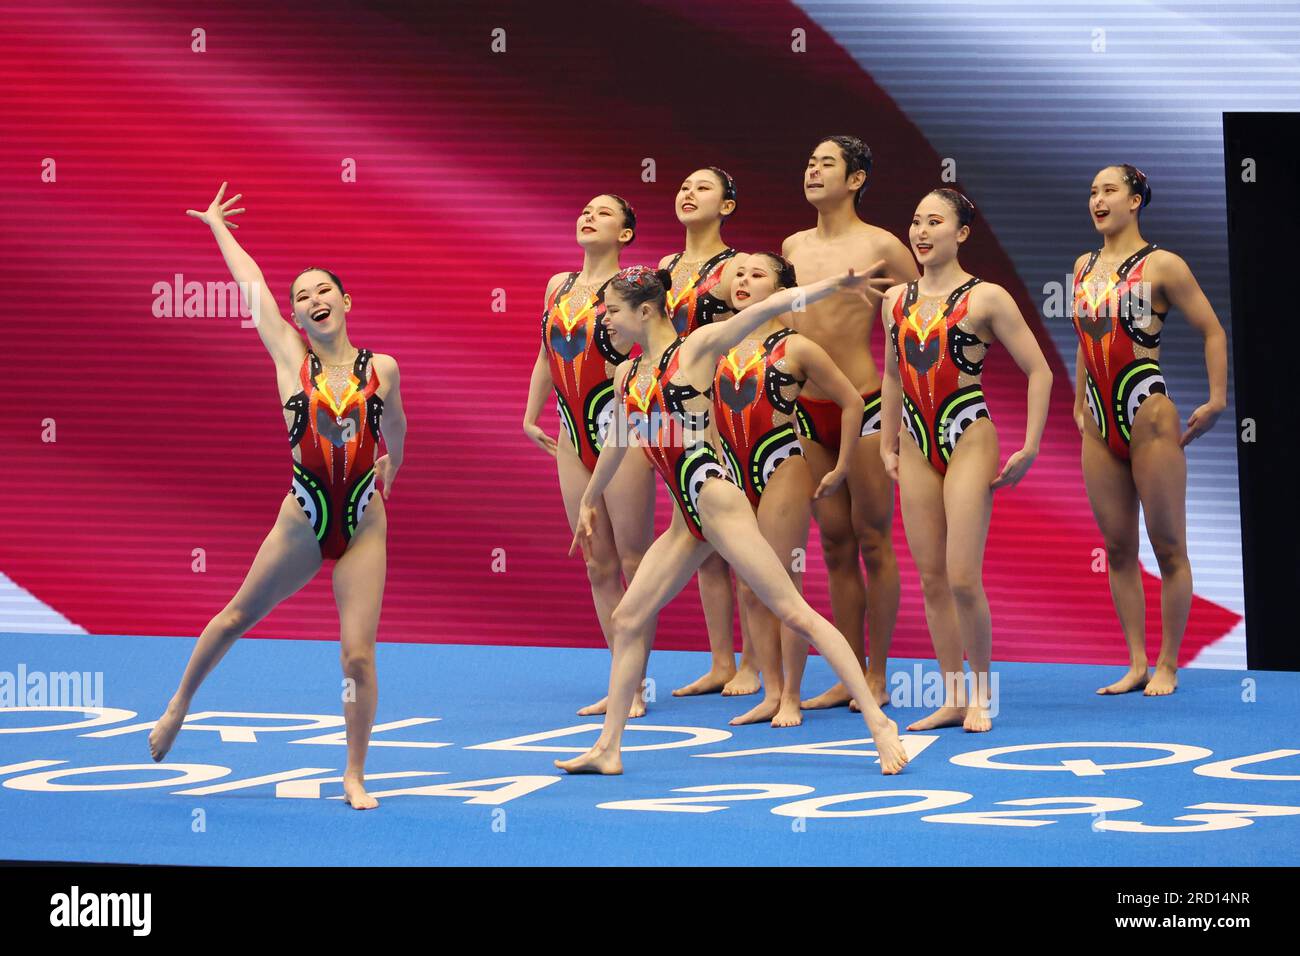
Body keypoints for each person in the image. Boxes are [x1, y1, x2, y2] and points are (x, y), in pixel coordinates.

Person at [556, 263, 909, 775]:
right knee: (628, 619)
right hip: (686, 518)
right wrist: (590, 498)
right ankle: (609, 748)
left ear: (647, 310)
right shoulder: (626, 374)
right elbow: (617, 440)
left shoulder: (696, 349)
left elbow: (769, 307)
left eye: (611, 311)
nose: (602, 322)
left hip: (717, 500)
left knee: (793, 611)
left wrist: (837, 283)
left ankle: (878, 723)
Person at [148, 183, 407, 810]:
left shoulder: (384, 369)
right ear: (293, 316)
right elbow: (252, 285)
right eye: (302, 297)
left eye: (324, 290)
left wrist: (386, 480)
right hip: (302, 520)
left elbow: (395, 432)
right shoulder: (289, 357)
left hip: (363, 528)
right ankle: (180, 702)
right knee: (237, 615)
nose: (314, 300)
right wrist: (216, 226)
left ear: (346, 301)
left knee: (357, 660)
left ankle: (354, 772)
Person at [880, 189, 1052, 733]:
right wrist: (886, 442)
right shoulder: (894, 301)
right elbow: (891, 374)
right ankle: (952, 695)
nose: (921, 231)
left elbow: (1040, 370)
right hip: (913, 441)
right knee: (930, 578)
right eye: (915, 220)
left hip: (968, 436)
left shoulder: (986, 298)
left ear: (962, 233)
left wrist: (1030, 444)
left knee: (960, 577)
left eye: (935, 221)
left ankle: (981, 692)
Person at [1071, 165, 1227, 696]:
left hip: (1147, 414)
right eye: (1093, 192)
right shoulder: (1083, 266)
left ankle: (1168, 663)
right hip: (1098, 421)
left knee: (1167, 546)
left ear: (1135, 201)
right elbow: (1085, 338)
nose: (1098, 199)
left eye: (1109, 190)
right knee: (1117, 546)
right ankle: (1136, 660)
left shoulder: (1162, 265)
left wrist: (1217, 400)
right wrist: (1076, 402)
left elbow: (1212, 330)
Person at [779, 135, 919, 724]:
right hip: (805, 409)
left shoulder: (882, 244)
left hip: (863, 400)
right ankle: (849, 670)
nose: (812, 169)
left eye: (826, 163)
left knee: (872, 540)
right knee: (832, 543)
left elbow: (926, 309)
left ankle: (880, 674)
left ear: (856, 179)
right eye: (808, 161)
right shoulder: (791, 245)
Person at [712, 254, 867, 725]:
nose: (743, 280)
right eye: (738, 273)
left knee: (783, 584)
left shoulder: (796, 347)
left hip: (781, 465)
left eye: (757, 274)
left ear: (783, 289)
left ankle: (793, 695)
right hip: (732, 470)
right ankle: (771, 689)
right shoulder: (716, 343)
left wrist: (841, 466)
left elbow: (852, 400)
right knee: (748, 586)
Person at [524, 194, 656, 717]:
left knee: (632, 558)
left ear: (625, 234)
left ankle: (636, 682)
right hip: (571, 433)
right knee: (597, 562)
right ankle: (620, 677)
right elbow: (545, 351)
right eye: (584, 210)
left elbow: (660, 353)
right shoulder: (558, 285)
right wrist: (529, 414)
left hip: (621, 431)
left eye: (603, 214)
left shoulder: (634, 288)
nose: (587, 216)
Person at [656, 167, 753, 699]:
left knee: (737, 536)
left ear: (728, 205)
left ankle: (754, 664)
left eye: (703, 188)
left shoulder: (737, 266)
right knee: (699, 533)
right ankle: (721, 659)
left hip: (723, 408)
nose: (688, 193)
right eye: (684, 185)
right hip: (674, 408)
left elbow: (755, 327)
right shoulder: (665, 267)